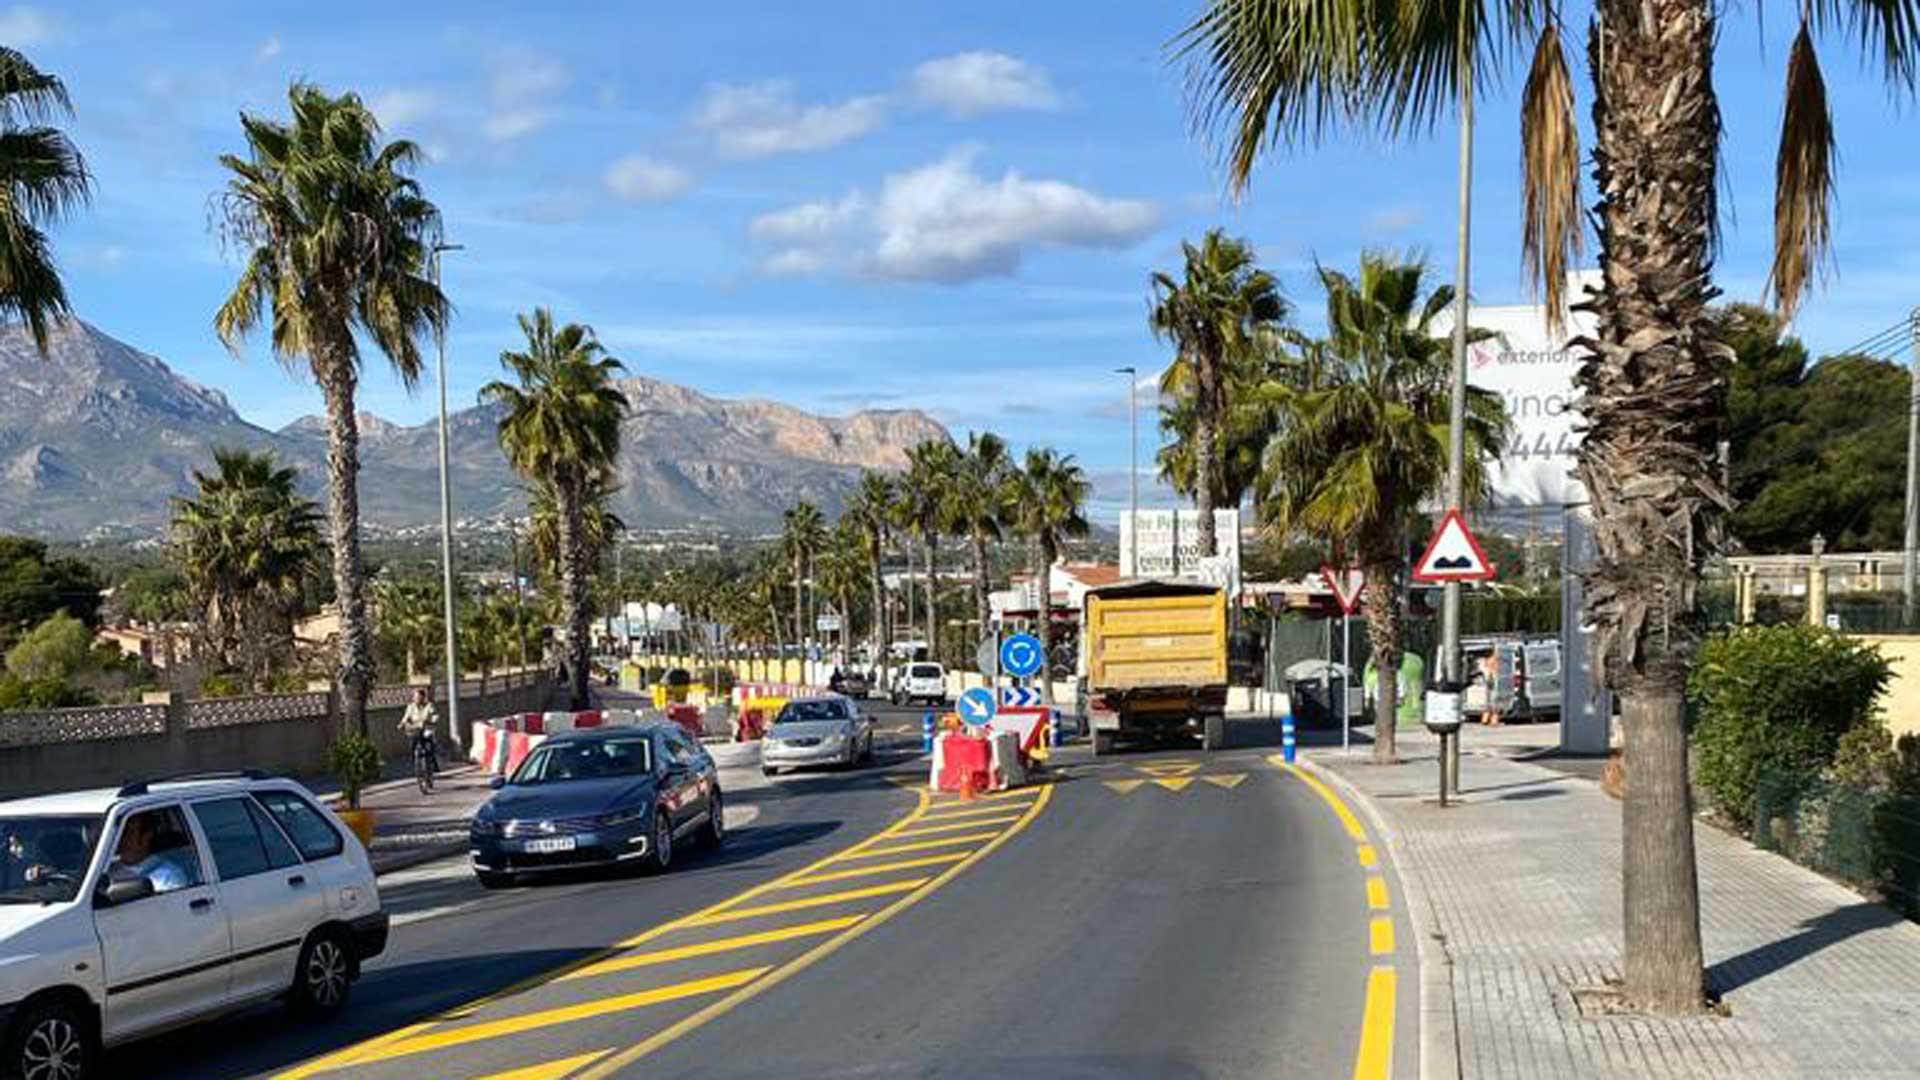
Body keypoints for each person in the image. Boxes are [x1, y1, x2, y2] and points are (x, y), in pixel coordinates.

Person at [110, 811, 191, 894]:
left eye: (129, 833)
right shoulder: (106, 870)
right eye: (120, 833)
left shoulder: (167, 876)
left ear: (146, 837)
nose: (121, 839)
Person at [400, 687, 440, 775]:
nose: (417, 699)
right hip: (415, 729)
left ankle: (433, 763)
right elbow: (406, 717)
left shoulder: (429, 705)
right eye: (415, 697)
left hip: (427, 728)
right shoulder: (411, 707)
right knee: (412, 744)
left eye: (419, 697)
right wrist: (402, 724)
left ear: (423, 697)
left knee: (429, 745)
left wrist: (432, 721)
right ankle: (414, 764)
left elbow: (435, 715)